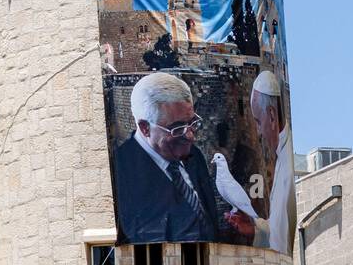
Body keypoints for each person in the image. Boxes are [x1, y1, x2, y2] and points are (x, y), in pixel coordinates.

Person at [113, 71, 220, 243]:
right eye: (177, 128)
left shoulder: (194, 156)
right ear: (145, 127)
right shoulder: (121, 171)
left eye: (192, 123)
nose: (191, 136)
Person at [227, 70, 296, 253]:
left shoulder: (289, 167)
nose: (258, 131)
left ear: (272, 116)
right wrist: (255, 230)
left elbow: (285, 243)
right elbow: (279, 229)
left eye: (258, 121)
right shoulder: (281, 155)